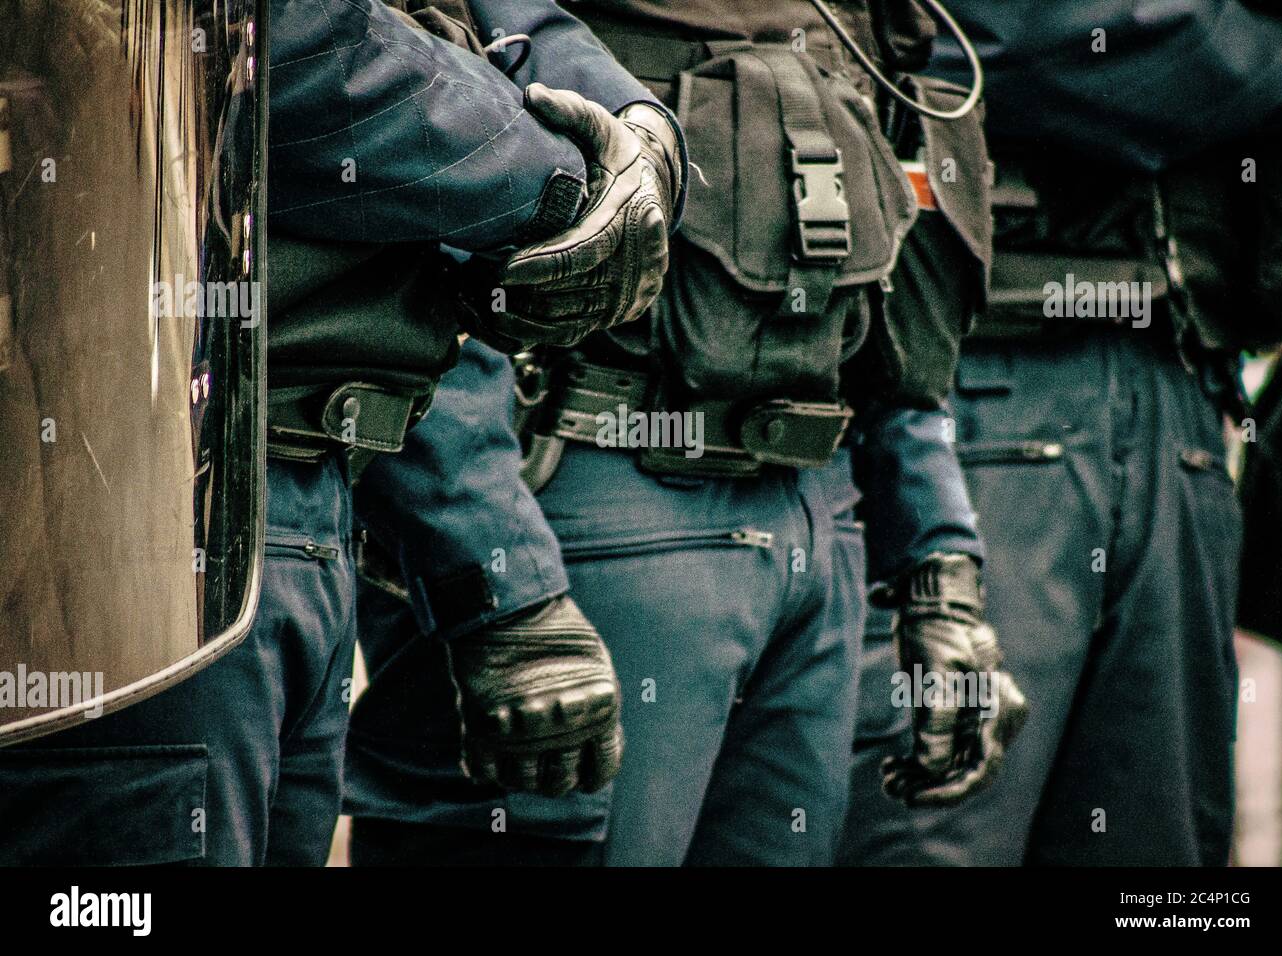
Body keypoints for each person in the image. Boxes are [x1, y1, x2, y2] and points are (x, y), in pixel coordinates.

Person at [344, 0, 1026, 867]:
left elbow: (898, 314)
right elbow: (414, 252)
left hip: (815, 533)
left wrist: (939, 565)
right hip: (583, 509)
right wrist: (499, 582)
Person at [0, 0, 674, 865]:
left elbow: (502, 18)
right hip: (136, 506)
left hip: (308, 516)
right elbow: (268, 40)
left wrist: (639, 137)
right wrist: (562, 178)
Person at [846, 0, 1282, 865]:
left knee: (1158, 868)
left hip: (1178, 377)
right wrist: (1269, 50)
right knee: (936, 833)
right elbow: (1009, 41)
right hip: (974, 385)